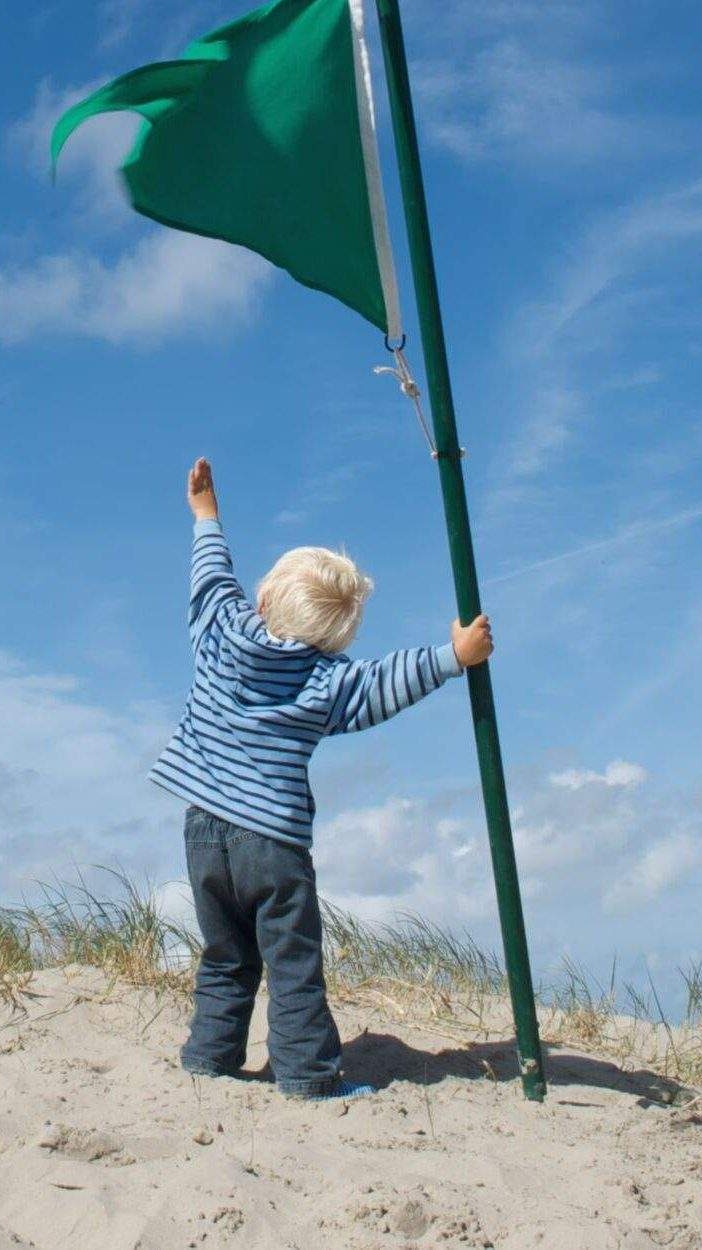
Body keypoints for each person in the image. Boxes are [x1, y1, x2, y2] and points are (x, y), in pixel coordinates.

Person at [158, 456, 494, 1097]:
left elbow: (210, 579)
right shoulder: (325, 680)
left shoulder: (220, 630)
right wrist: (454, 655)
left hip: (201, 830)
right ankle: (308, 1077)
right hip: (272, 845)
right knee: (291, 962)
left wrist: (207, 516)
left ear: (261, 598)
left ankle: (209, 1059)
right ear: (334, 640)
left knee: (225, 955)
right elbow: (385, 682)